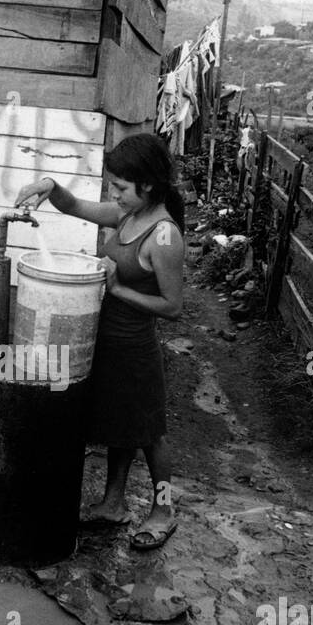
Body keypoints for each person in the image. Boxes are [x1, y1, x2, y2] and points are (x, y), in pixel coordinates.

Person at [14, 133, 185, 550]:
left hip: (135, 347)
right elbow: (73, 206)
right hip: (103, 339)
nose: (115, 194)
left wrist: (119, 289)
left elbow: (173, 306)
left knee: (150, 432)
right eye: (113, 186)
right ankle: (113, 503)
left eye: (122, 187)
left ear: (147, 185)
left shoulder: (163, 236)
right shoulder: (127, 216)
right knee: (118, 424)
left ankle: (163, 510)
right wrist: (49, 185)